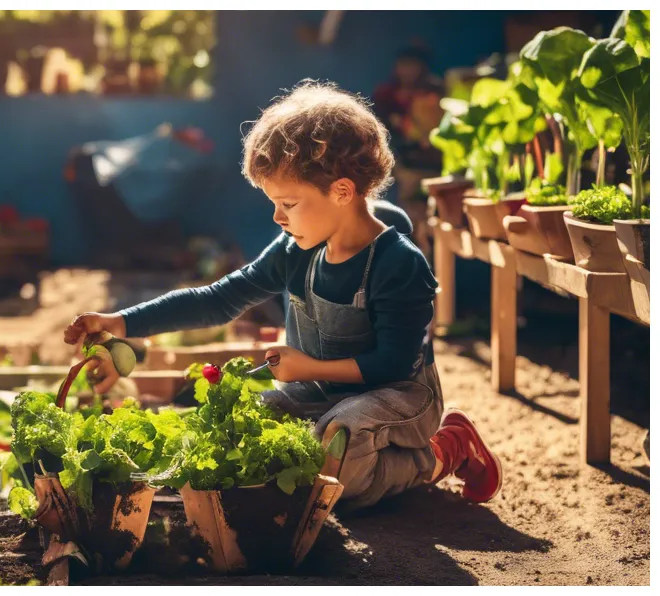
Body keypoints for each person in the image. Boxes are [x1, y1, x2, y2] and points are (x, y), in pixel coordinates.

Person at [63, 80, 502, 511]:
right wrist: (120, 322)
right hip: (316, 392)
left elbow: (393, 363)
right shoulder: (297, 250)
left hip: (396, 397)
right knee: (236, 431)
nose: (277, 217)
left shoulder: (398, 263)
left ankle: (445, 450)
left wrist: (308, 366)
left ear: (342, 191)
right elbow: (219, 299)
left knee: (335, 462)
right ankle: (345, 448)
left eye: (288, 204)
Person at [372, 44, 446, 257]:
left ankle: (430, 262)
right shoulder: (387, 95)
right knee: (409, 216)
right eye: (403, 65)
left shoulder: (436, 92)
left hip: (435, 166)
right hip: (405, 167)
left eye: (413, 65)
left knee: (432, 219)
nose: (407, 70)